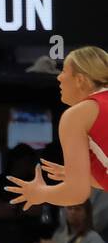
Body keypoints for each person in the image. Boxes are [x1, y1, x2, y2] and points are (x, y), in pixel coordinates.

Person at [7, 46, 108, 211]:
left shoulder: (77, 115)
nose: (59, 78)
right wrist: (84, 176)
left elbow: (76, 193)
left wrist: (40, 193)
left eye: (64, 71)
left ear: (80, 80)